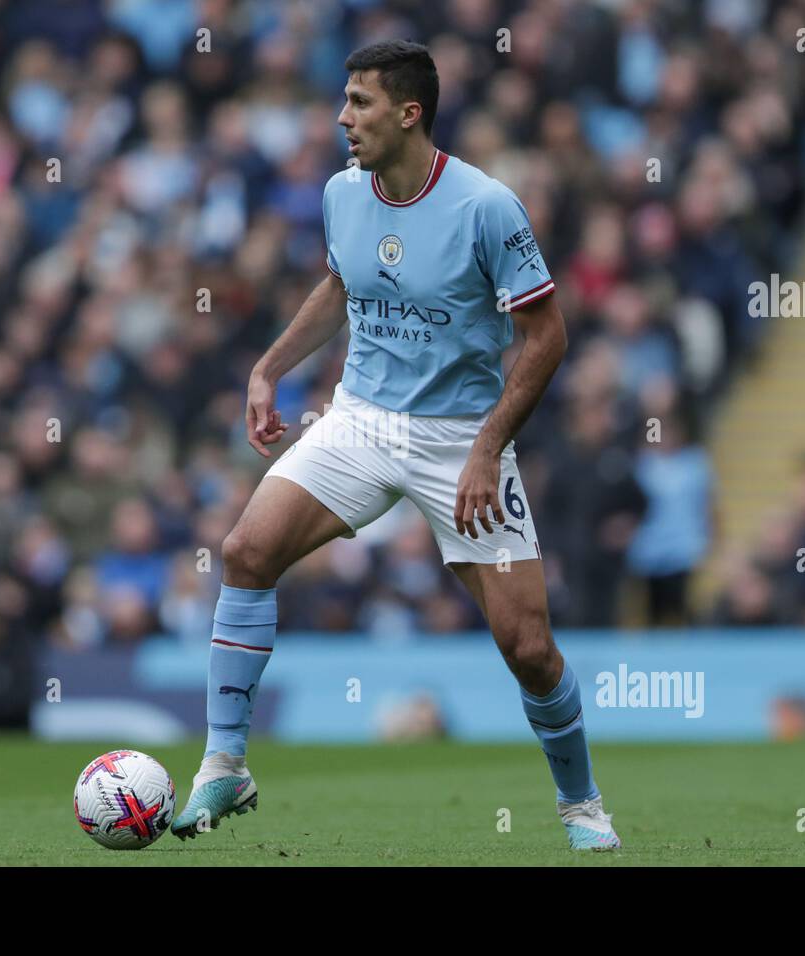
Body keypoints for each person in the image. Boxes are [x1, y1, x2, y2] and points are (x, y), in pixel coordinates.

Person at [171, 40, 620, 851]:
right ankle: (226, 762)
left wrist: (487, 451)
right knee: (244, 550)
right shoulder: (344, 193)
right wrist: (269, 367)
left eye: (360, 103)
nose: (343, 118)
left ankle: (582, 805)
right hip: (361, 422)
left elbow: (545, 336)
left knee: (527, 647)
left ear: (409, 113)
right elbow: (344, 283)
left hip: (461, 438)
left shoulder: (487, 207)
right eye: (344, 101)